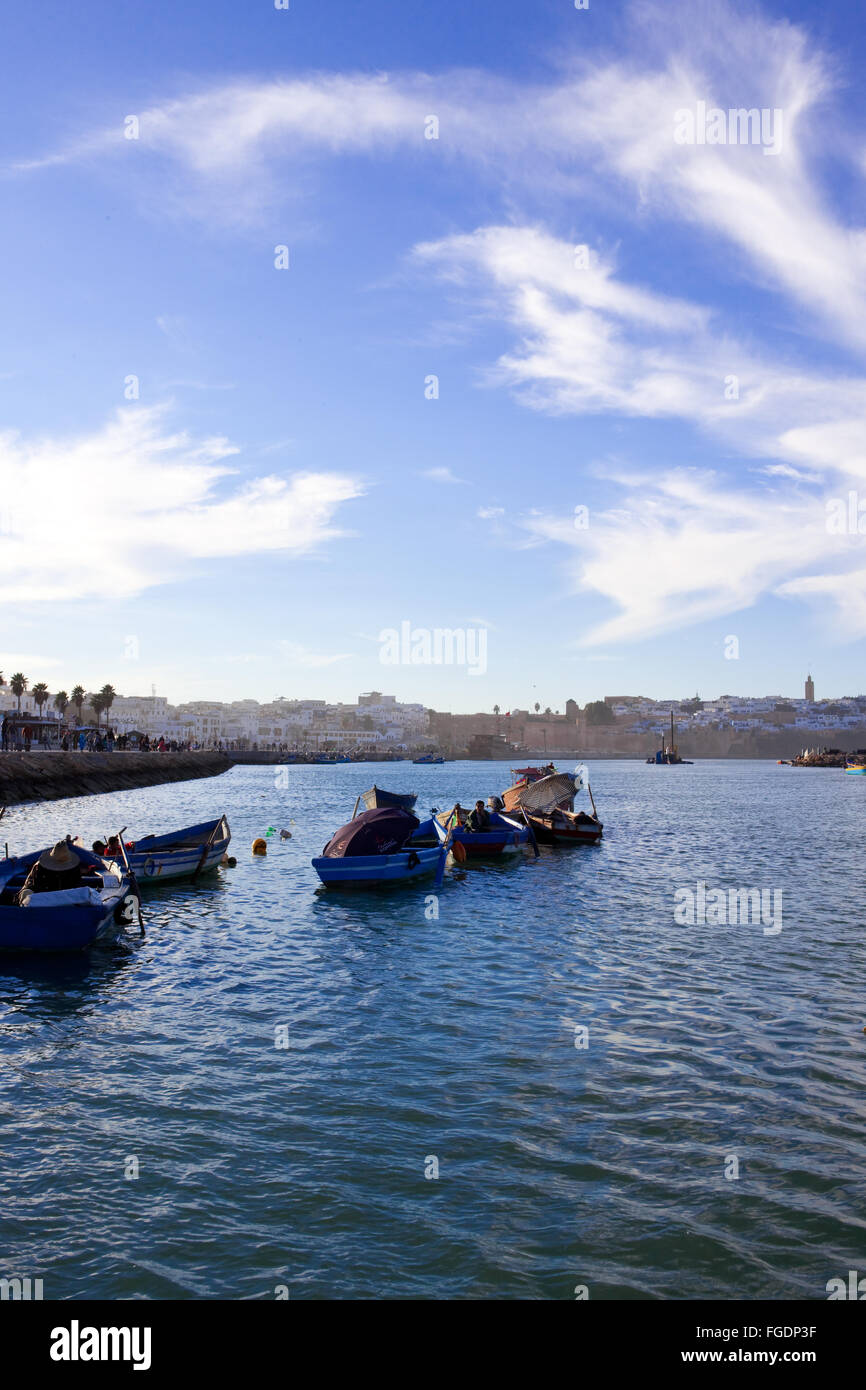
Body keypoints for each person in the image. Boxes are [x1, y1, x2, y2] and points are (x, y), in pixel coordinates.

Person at [18, 841, 85, 899]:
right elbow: (33, 885)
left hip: (67, 898)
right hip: (42, 897)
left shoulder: (74, 868)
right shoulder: (39, 867)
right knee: (26, 893)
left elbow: (77, 885)